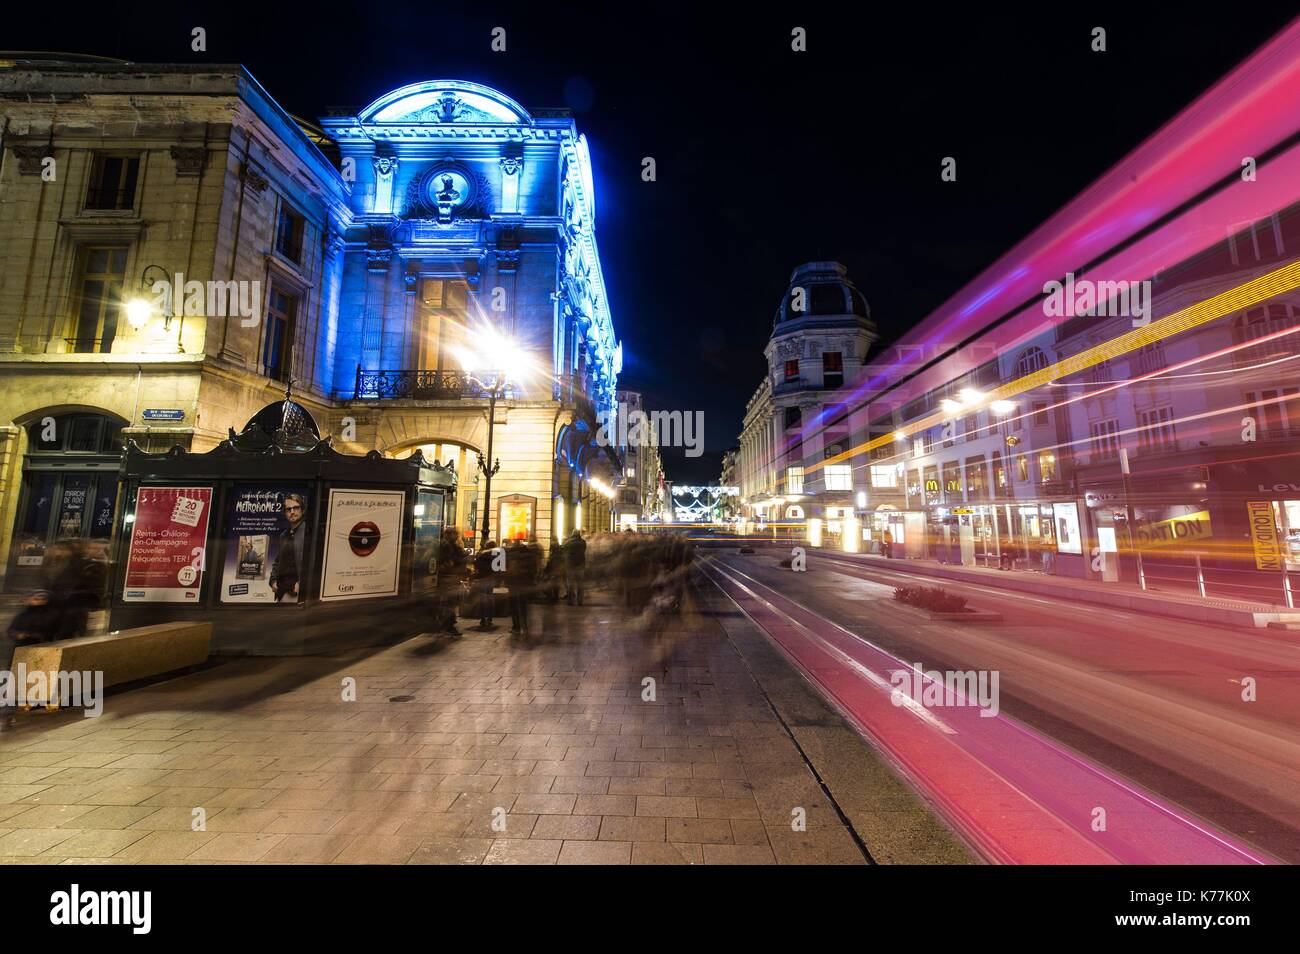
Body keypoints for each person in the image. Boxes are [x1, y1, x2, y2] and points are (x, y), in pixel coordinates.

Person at [269, 493, 307, 603]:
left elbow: (313, 563)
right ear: (285, 513)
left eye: (296, 508)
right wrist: (273, 580)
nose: (292, 512)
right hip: (281, 591)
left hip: (297, 593)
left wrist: (301, 583)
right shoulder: (283, 535)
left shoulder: (308, 533)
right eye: (288, 509)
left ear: (302, 510)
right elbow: (277, 561)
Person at [435, 527, 466, 635]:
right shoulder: (448, 547)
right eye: (453, 534)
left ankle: (445, 624)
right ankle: (447, 625)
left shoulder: (444, 546)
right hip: (448, 578)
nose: (455, 536)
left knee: (448, 602)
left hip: (449, 578)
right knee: (449, 603)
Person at [474, 540, 499, 631]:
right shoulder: (496, 554)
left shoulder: (481, 554)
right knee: (490, 598)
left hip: (482, 578)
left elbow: (476, 565)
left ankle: (482, 619)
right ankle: (489, 618)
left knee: (482, 599)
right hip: (491, 579)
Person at [564, 529, 587, 605]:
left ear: (572, 534)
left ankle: (570, 601)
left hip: (570, 566)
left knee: (571, 584)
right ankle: (580, 601)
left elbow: (564, 551)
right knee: (580, 584)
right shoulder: (583, 542)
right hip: (580, 565)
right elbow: (584, 550)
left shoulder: (568, 542)